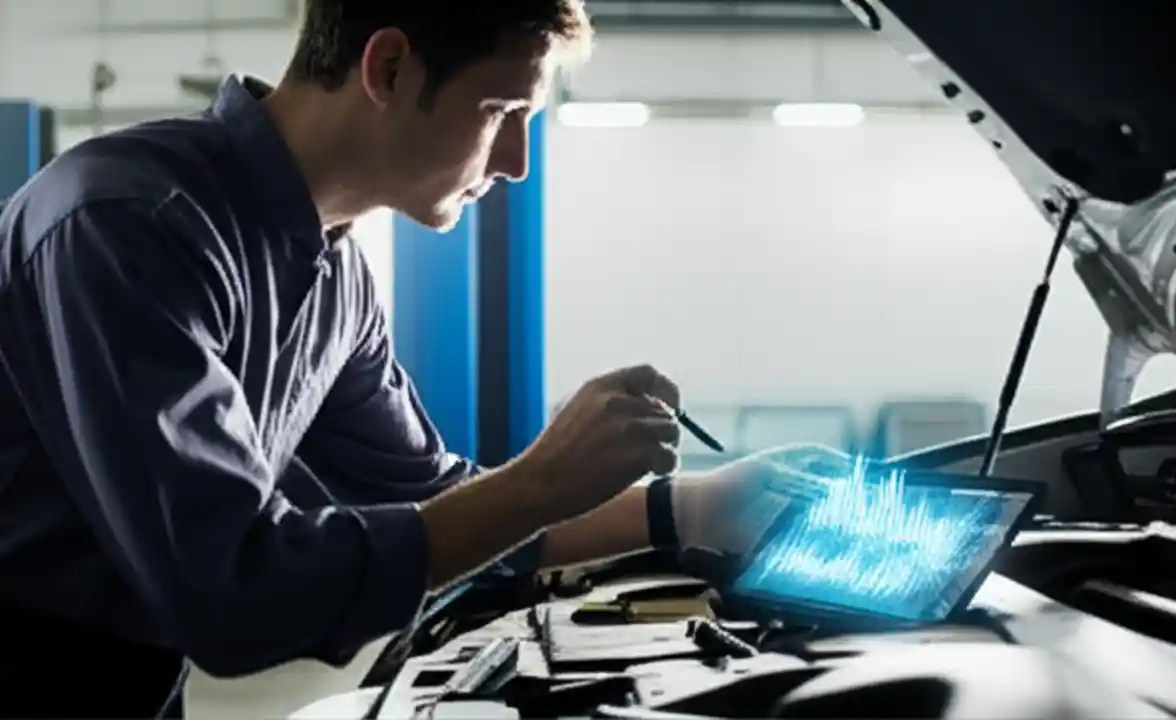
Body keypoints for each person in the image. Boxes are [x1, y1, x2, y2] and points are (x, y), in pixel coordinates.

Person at [0, 1, 819, 716]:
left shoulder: (334, 276)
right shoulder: (128, 224)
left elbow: (447, 506)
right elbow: (232, 594)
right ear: (388, 67)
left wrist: (698, 507)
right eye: (501, 110)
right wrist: (540, 481)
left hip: (127, 687)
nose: (514, 164)